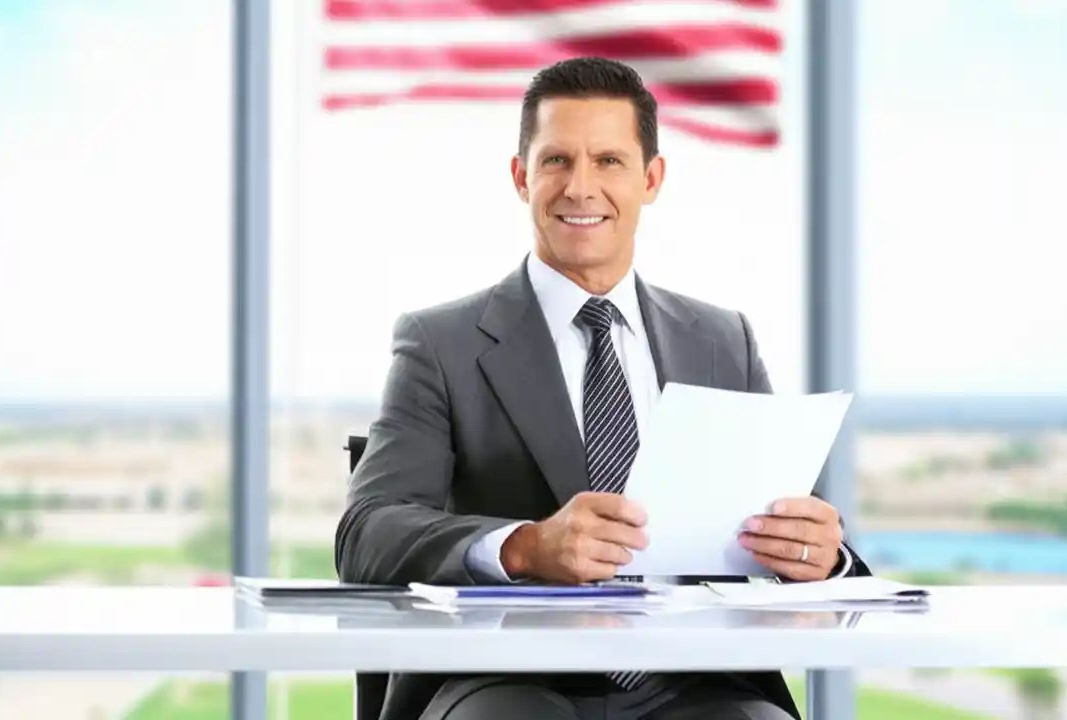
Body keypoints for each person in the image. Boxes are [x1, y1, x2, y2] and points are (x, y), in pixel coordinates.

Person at [335, 56, 870, 720]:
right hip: (504, 680)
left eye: (609, 161)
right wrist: (525, 546)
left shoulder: (721, 340)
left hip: (697, 683)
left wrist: (821, 554)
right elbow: (368, 533)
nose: (580, 187)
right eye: (557, 160)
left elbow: (796, 522)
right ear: (520, 176)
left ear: (651, 179)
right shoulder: (440, 344)